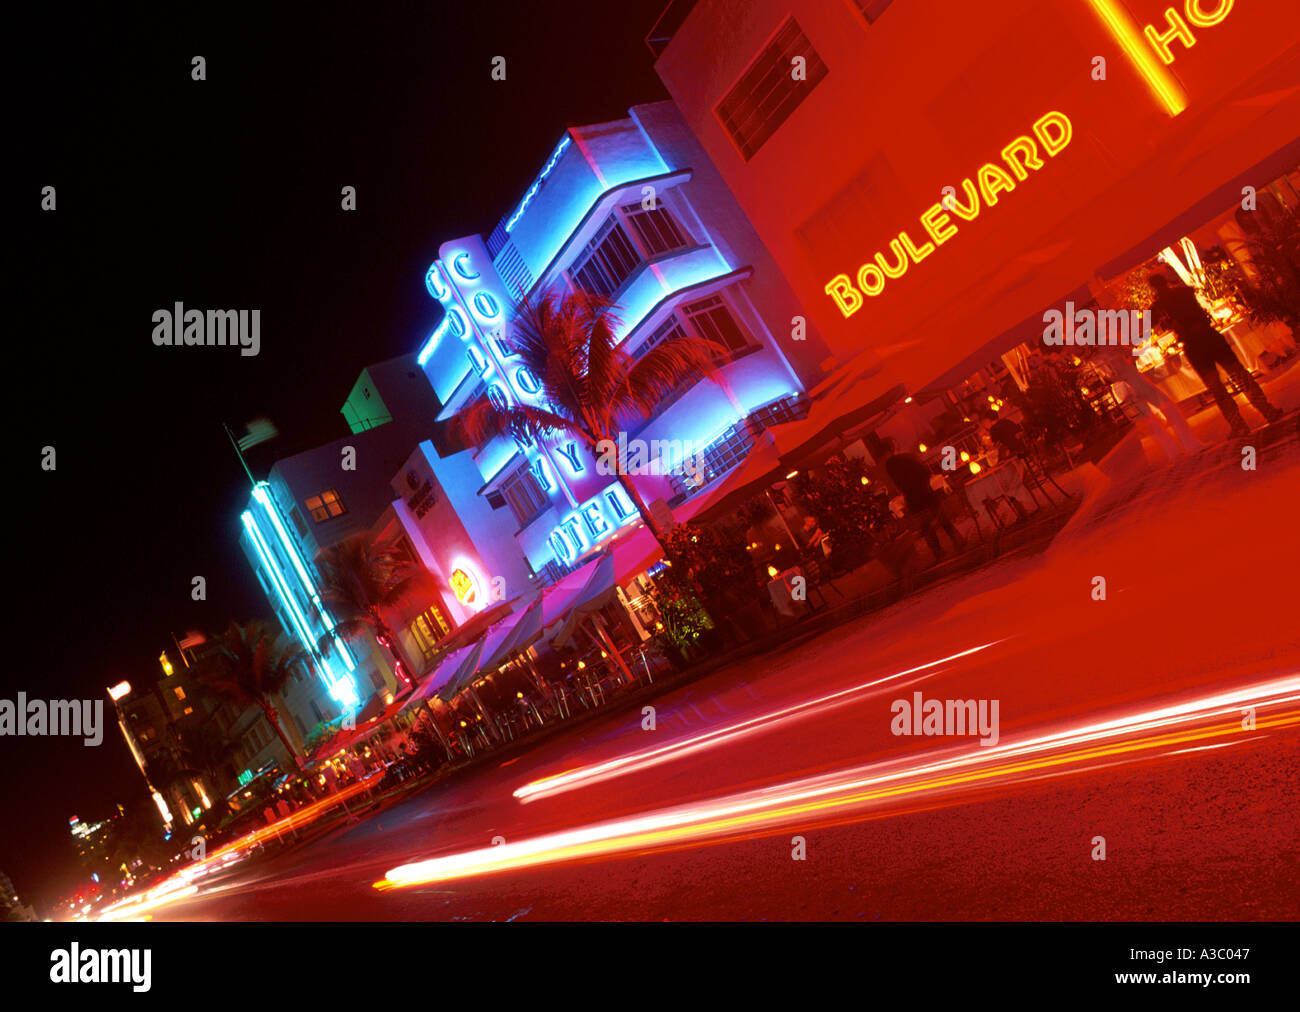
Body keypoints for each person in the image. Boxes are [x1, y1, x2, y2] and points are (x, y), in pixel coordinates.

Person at [1148, 273, 1283, 437]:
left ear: (1153, 288)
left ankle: (1239, 426)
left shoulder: (1158, 306)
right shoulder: (1185, 292)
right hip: (1210, 336)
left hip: (1194, 346)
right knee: (1240, 375)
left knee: (1217, 388)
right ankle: (1268, 411)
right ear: (1165, 281)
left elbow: (1150, 326)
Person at [881, 438, 966, 560]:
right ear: (891, 448)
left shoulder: (890, 465)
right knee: (941, 517)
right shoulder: (906, 458)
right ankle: (958, 541)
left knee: (926, 526)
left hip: (911, 496)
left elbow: (898, 482)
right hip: (925, 491)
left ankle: (938, 553)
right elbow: (923, 471)